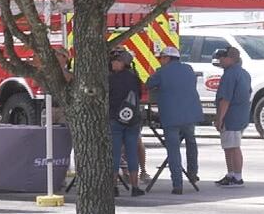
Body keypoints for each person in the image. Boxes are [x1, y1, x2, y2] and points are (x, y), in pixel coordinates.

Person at [143, 45, 202, 193]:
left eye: (161, 58)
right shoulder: (188, 69)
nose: (160, 61)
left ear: (167, 58)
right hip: (190, 115)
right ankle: (193, 173)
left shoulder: (161, 72)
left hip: (171, 116)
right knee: (191, 142)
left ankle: (177, 184)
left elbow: (149, 84)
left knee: (174, 150)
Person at [211, 46, 252, 186]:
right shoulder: (244, 73)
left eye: (222, 58)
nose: (220, 61)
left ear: (230, 58)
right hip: (241, 115)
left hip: (231, 116)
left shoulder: (230, 74)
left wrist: (219, 118)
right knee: (228, 146)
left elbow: (225, 100)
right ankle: (231, 174)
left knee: (233, 147)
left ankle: (237, 177)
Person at [106, 49, 145, 196]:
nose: (113, 63)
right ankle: (135, 187)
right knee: (132, 153)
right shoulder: (134, 77)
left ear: (124, 63)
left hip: (115, 119)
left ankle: (113, 187)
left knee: (114, 154)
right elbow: (139, 96)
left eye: (116, 61)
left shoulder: (110, 79)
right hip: (132, 120)